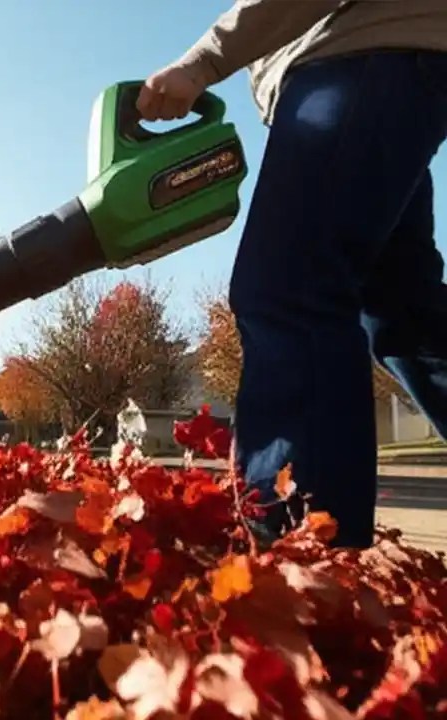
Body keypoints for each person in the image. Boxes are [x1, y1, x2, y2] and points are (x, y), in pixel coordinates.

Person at [137, 1, 447, 548]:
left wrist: (204, 61)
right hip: (395, 70)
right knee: (404, 313)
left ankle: (302, 557)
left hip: (362, 61)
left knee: (288, 294)